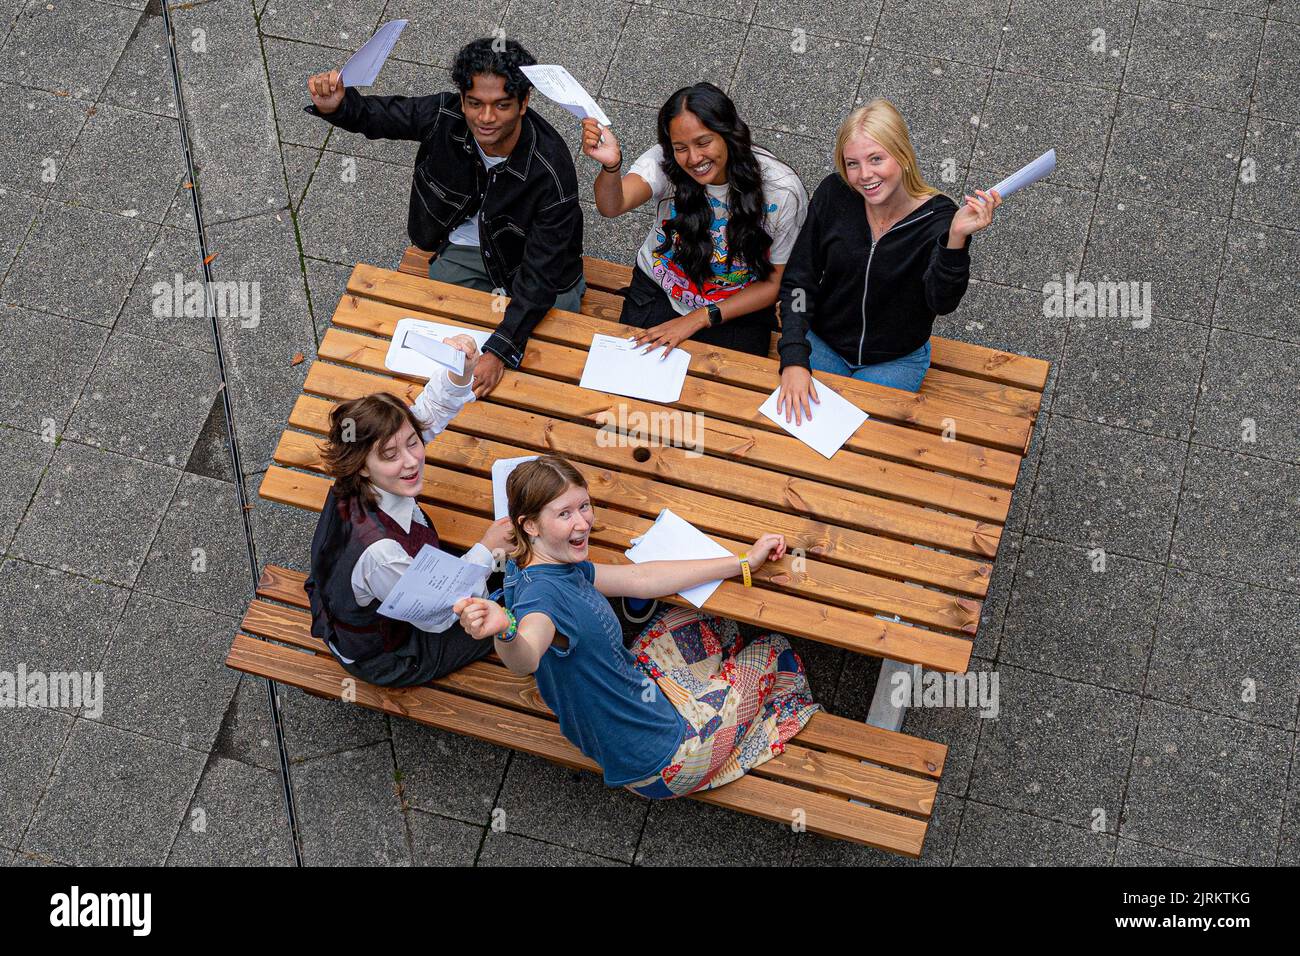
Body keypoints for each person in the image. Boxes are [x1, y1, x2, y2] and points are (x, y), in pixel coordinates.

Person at [452, 456, 819, 798]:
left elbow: (641, 578)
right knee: (774, 649)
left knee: (707, 618)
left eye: (583, 506)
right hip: (665, 761)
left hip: (630, 715)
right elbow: (525, 656)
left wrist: (742, 561)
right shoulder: (544, 603)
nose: (582, 522)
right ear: (529, 524)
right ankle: (722, 729)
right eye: (564, 514)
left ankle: (716, 695)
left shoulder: (533, 561)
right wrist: (505, 630)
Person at [305, 38, 586, 398]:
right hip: (468, 250)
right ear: (462, 99)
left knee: (549, 350)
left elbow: (543, 271)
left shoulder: (552, 169)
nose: (485, 118)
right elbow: (385, 116)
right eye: (475, 104)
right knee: (442, 336)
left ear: (524, 103)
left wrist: (500, 350)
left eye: (501, 105)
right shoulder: (444, 115)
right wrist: (339, 106)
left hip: (530, 264)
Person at [304, 334, 514, 688]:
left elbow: (427, 414)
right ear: (364, 466)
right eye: (390, 455)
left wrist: (459, 373)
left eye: (413, 443)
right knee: (515, 608)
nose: (411, 460)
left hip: (366, 592)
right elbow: (439, 610)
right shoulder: (382, 554)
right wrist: (487, 548)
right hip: (388, 654)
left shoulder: (357, 475)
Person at [775, 98, 1002, 422]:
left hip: (895, 360)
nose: (864, 175)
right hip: (823, 343)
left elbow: (941, 301)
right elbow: (800, 280)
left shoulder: (940, 219)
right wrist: (795, 356)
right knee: (797, 432)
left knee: (859, 448)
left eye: (876, 159)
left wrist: (955, 240)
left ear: (903, 155)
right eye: (852, 163)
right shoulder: (833, 194)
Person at [580, 82, 807, 358]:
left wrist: (698, 318)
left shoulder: (782, 191)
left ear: (728, 133)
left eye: (703, 142)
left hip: (736, 308)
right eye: (680, 147)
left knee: (724, 394)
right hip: (659, 291)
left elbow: (773, 284)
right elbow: (612, 206)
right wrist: (611, 165)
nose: (694, 158)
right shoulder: (664, 162)